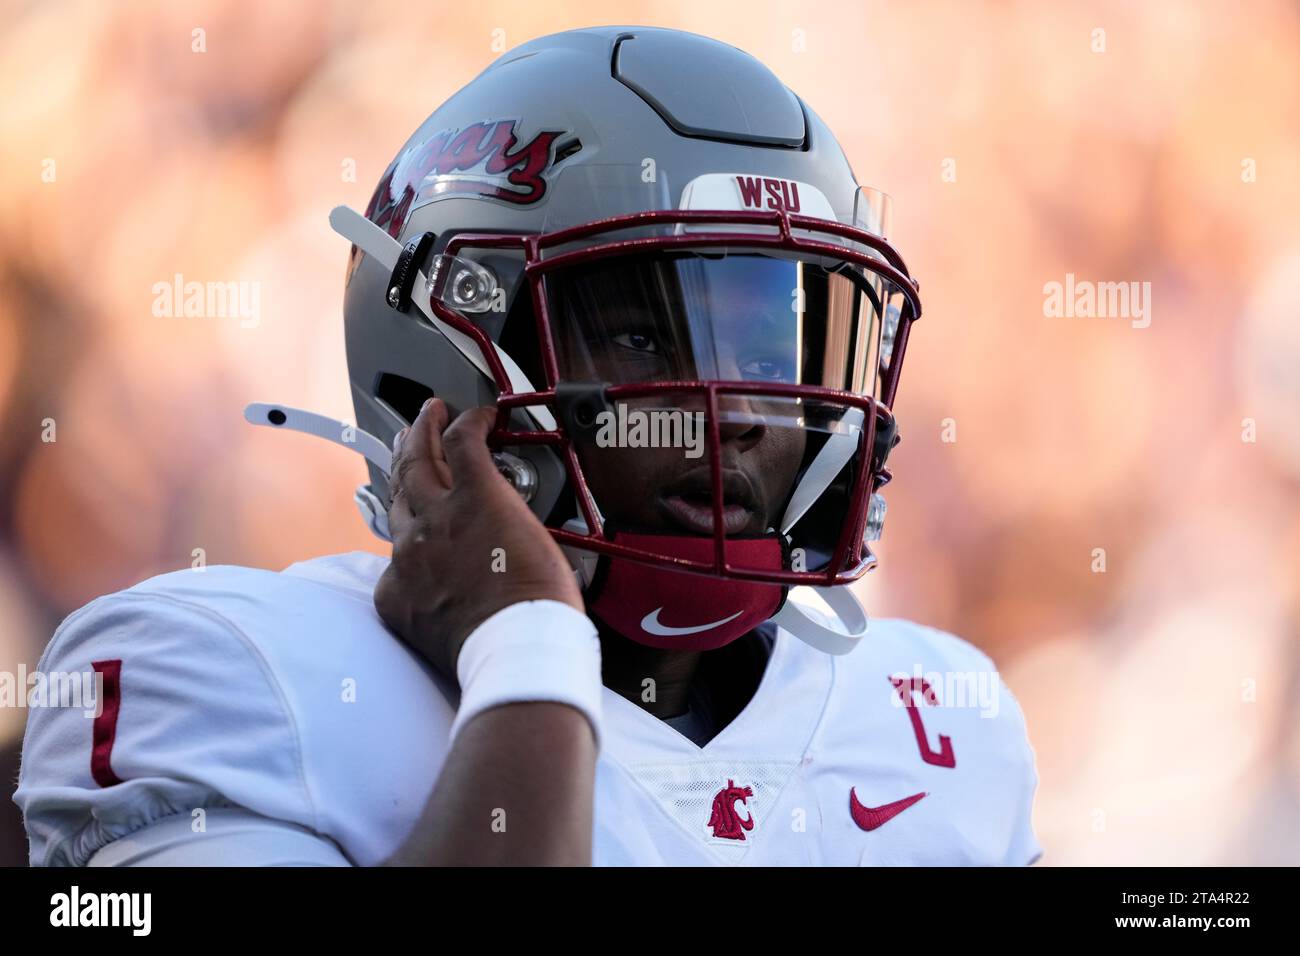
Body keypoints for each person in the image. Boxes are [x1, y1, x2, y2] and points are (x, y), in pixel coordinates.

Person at [15, 25, 1041, 866]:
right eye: (643, 334)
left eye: (774, 339)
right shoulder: (224, 671)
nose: (737, 407)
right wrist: (530, 654)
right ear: (441, 367)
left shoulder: (936, 720)